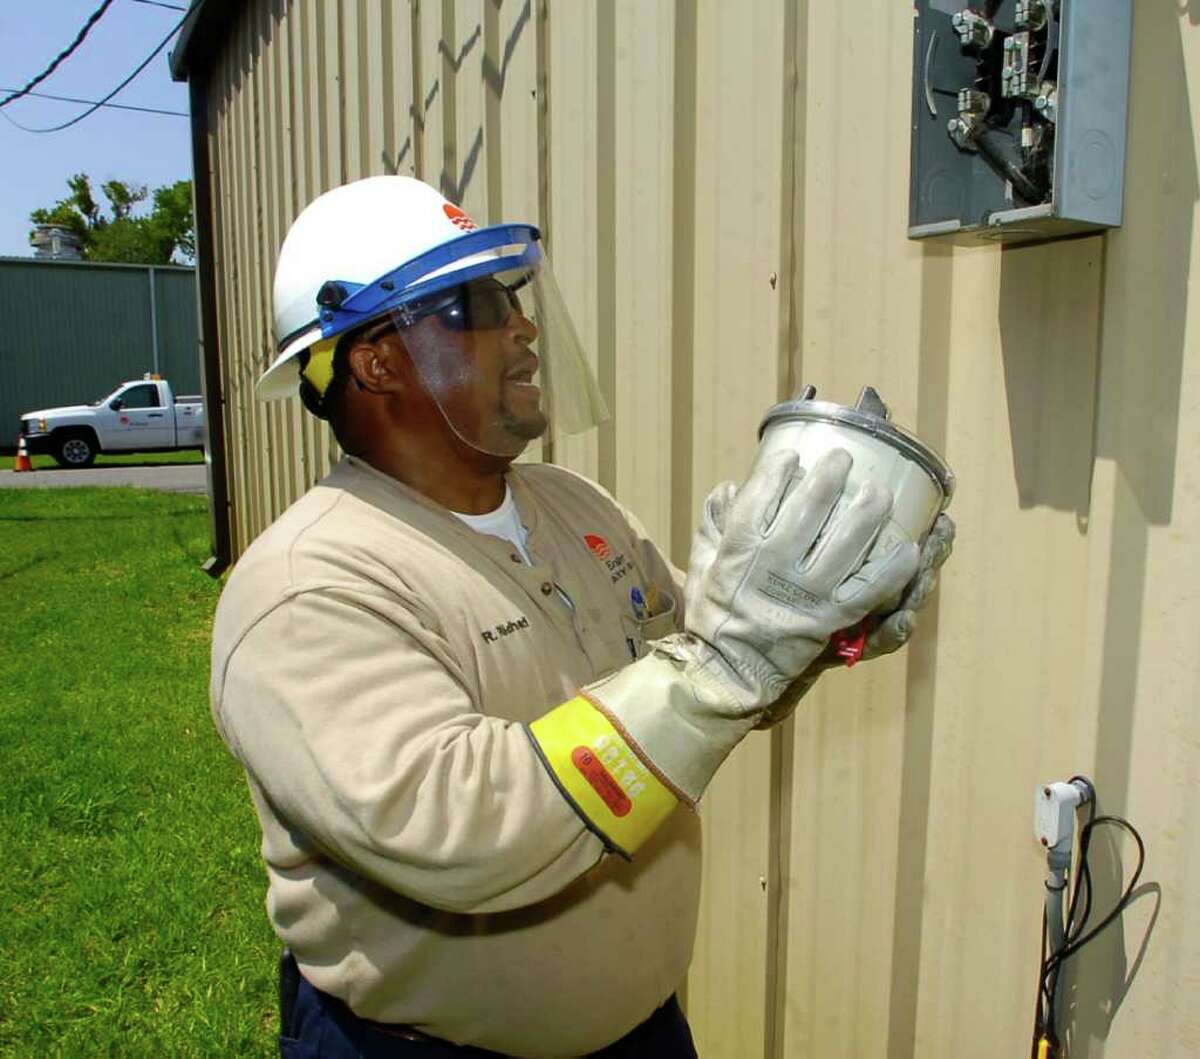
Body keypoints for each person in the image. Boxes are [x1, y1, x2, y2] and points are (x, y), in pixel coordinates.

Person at [209, 175, 954, 1059]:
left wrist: (815, 628)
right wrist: (728, 659)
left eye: (515, 296)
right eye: (478, 305)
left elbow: (697, 680)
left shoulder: (571, 505)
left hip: (643, 1033)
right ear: (377, 362)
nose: (522, 327)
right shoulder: (307, 586)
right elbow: (461, 827)